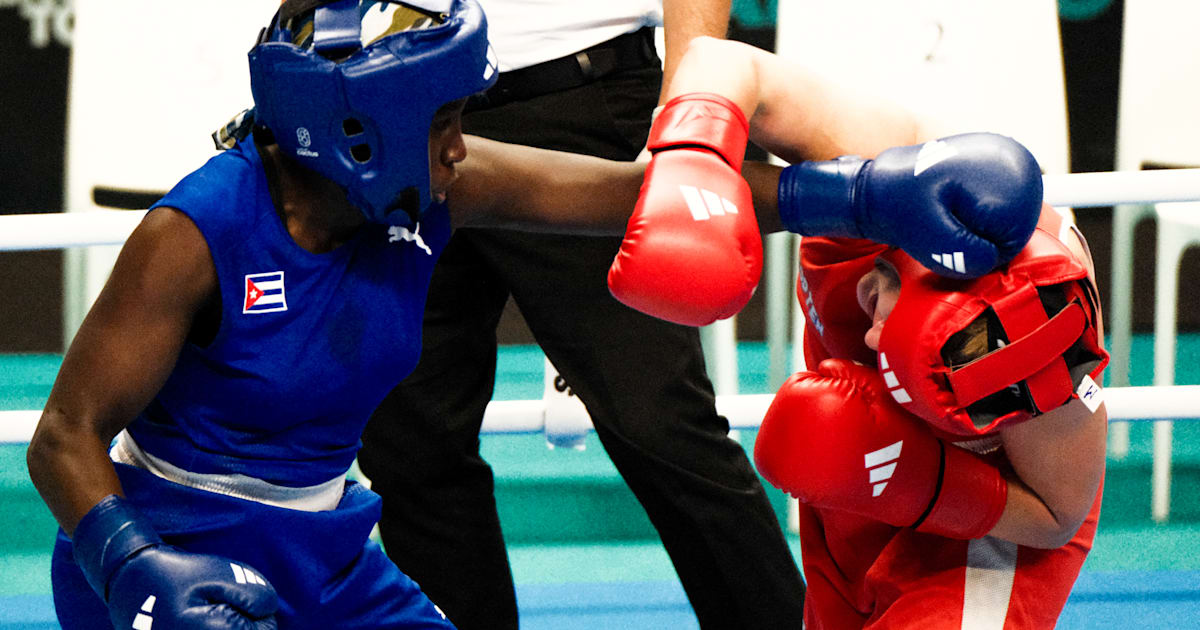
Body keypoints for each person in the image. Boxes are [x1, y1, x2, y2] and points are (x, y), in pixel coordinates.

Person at [24, 4, 1044, 627]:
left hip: (330, 550)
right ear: (356, 139)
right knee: (426, 449)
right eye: (447, 123)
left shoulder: (439, 187)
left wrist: (863, 195)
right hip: (171, 544)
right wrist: (131, 566)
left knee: (662, 423)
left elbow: (626, 198)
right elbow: (65, 432)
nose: (465, 143)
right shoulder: (194, 233)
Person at [354, 1, 812, 627]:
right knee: (409, 443)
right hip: (398, 107)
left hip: (579, 97)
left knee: (660, 425)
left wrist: (686, 117)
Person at [633, 36, 1106, 628]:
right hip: (849, 487)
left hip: (985, 532)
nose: (877, 345)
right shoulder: (889, 159)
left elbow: (1058, 513)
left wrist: (920, 479)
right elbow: (723, 60)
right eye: (890, 309)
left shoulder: (1037, 329)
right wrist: (694, 155)